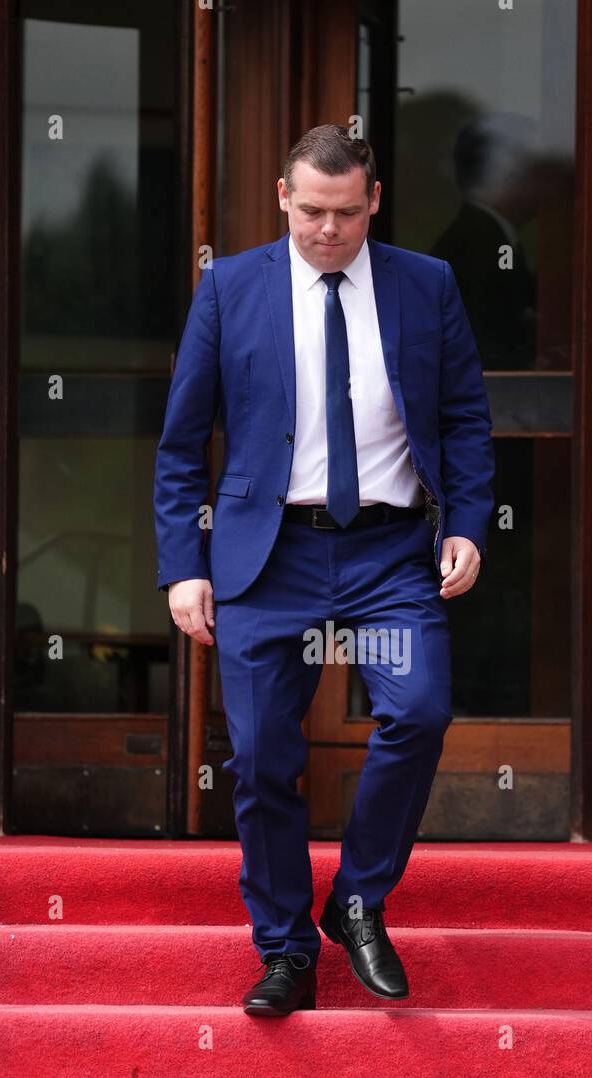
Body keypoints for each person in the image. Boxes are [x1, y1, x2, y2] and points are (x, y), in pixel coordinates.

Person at [153, 125, 495, 1015]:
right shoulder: (230, 287)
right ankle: (283, 951)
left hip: (387, 552)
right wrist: (182, 567)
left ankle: (357, 898)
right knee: (264, 757)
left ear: (373, 201)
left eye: (345, 213)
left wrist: (465, 523)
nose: (327, 230)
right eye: (310, 211)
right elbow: (183, 444)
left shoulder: (427, 284)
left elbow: (463, 417)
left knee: (416, 712)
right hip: (269, 555)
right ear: (281, 196)